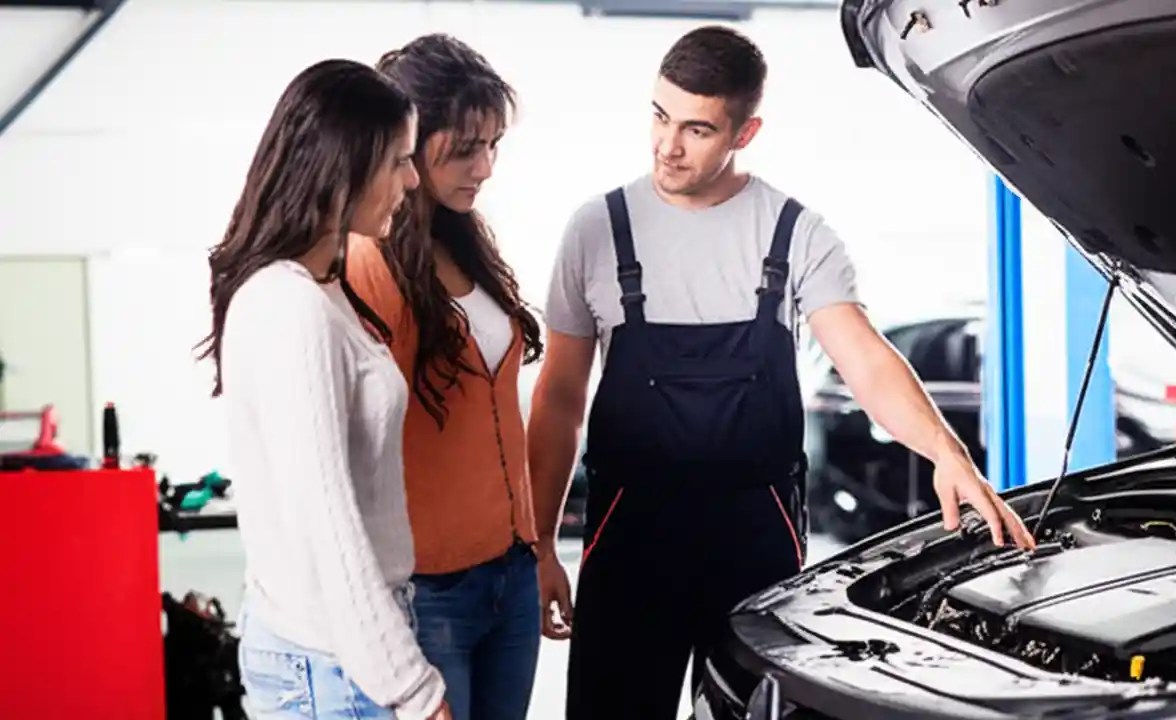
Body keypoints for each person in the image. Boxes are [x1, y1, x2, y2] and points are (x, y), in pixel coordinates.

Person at [526, 26, 1037, 719]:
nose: (667, 145)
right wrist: (539, 544)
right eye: (659, 115)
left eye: (697, 129)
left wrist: (947, 453)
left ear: (746, 131)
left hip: (753, 547)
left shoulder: (795, 234)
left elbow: (863, 357)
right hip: (630, 540)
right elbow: (560, 397)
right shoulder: (596, 228)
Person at [197, 58, 452, 720]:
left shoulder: (321, 291)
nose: (412, 178)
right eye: (398, 159)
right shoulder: (291, 306)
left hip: (333, 651)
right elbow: (327, 523)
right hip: (331, 666)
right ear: (344, 166)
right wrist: (414, 690)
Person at [343, 35, 543, 720]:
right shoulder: (366, 266)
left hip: (510, 575)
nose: (484, 167)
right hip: (430, 592)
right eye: (464, 149)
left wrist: (538, 549)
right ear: (405, 142)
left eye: (493, 146)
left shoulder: (466, 241)